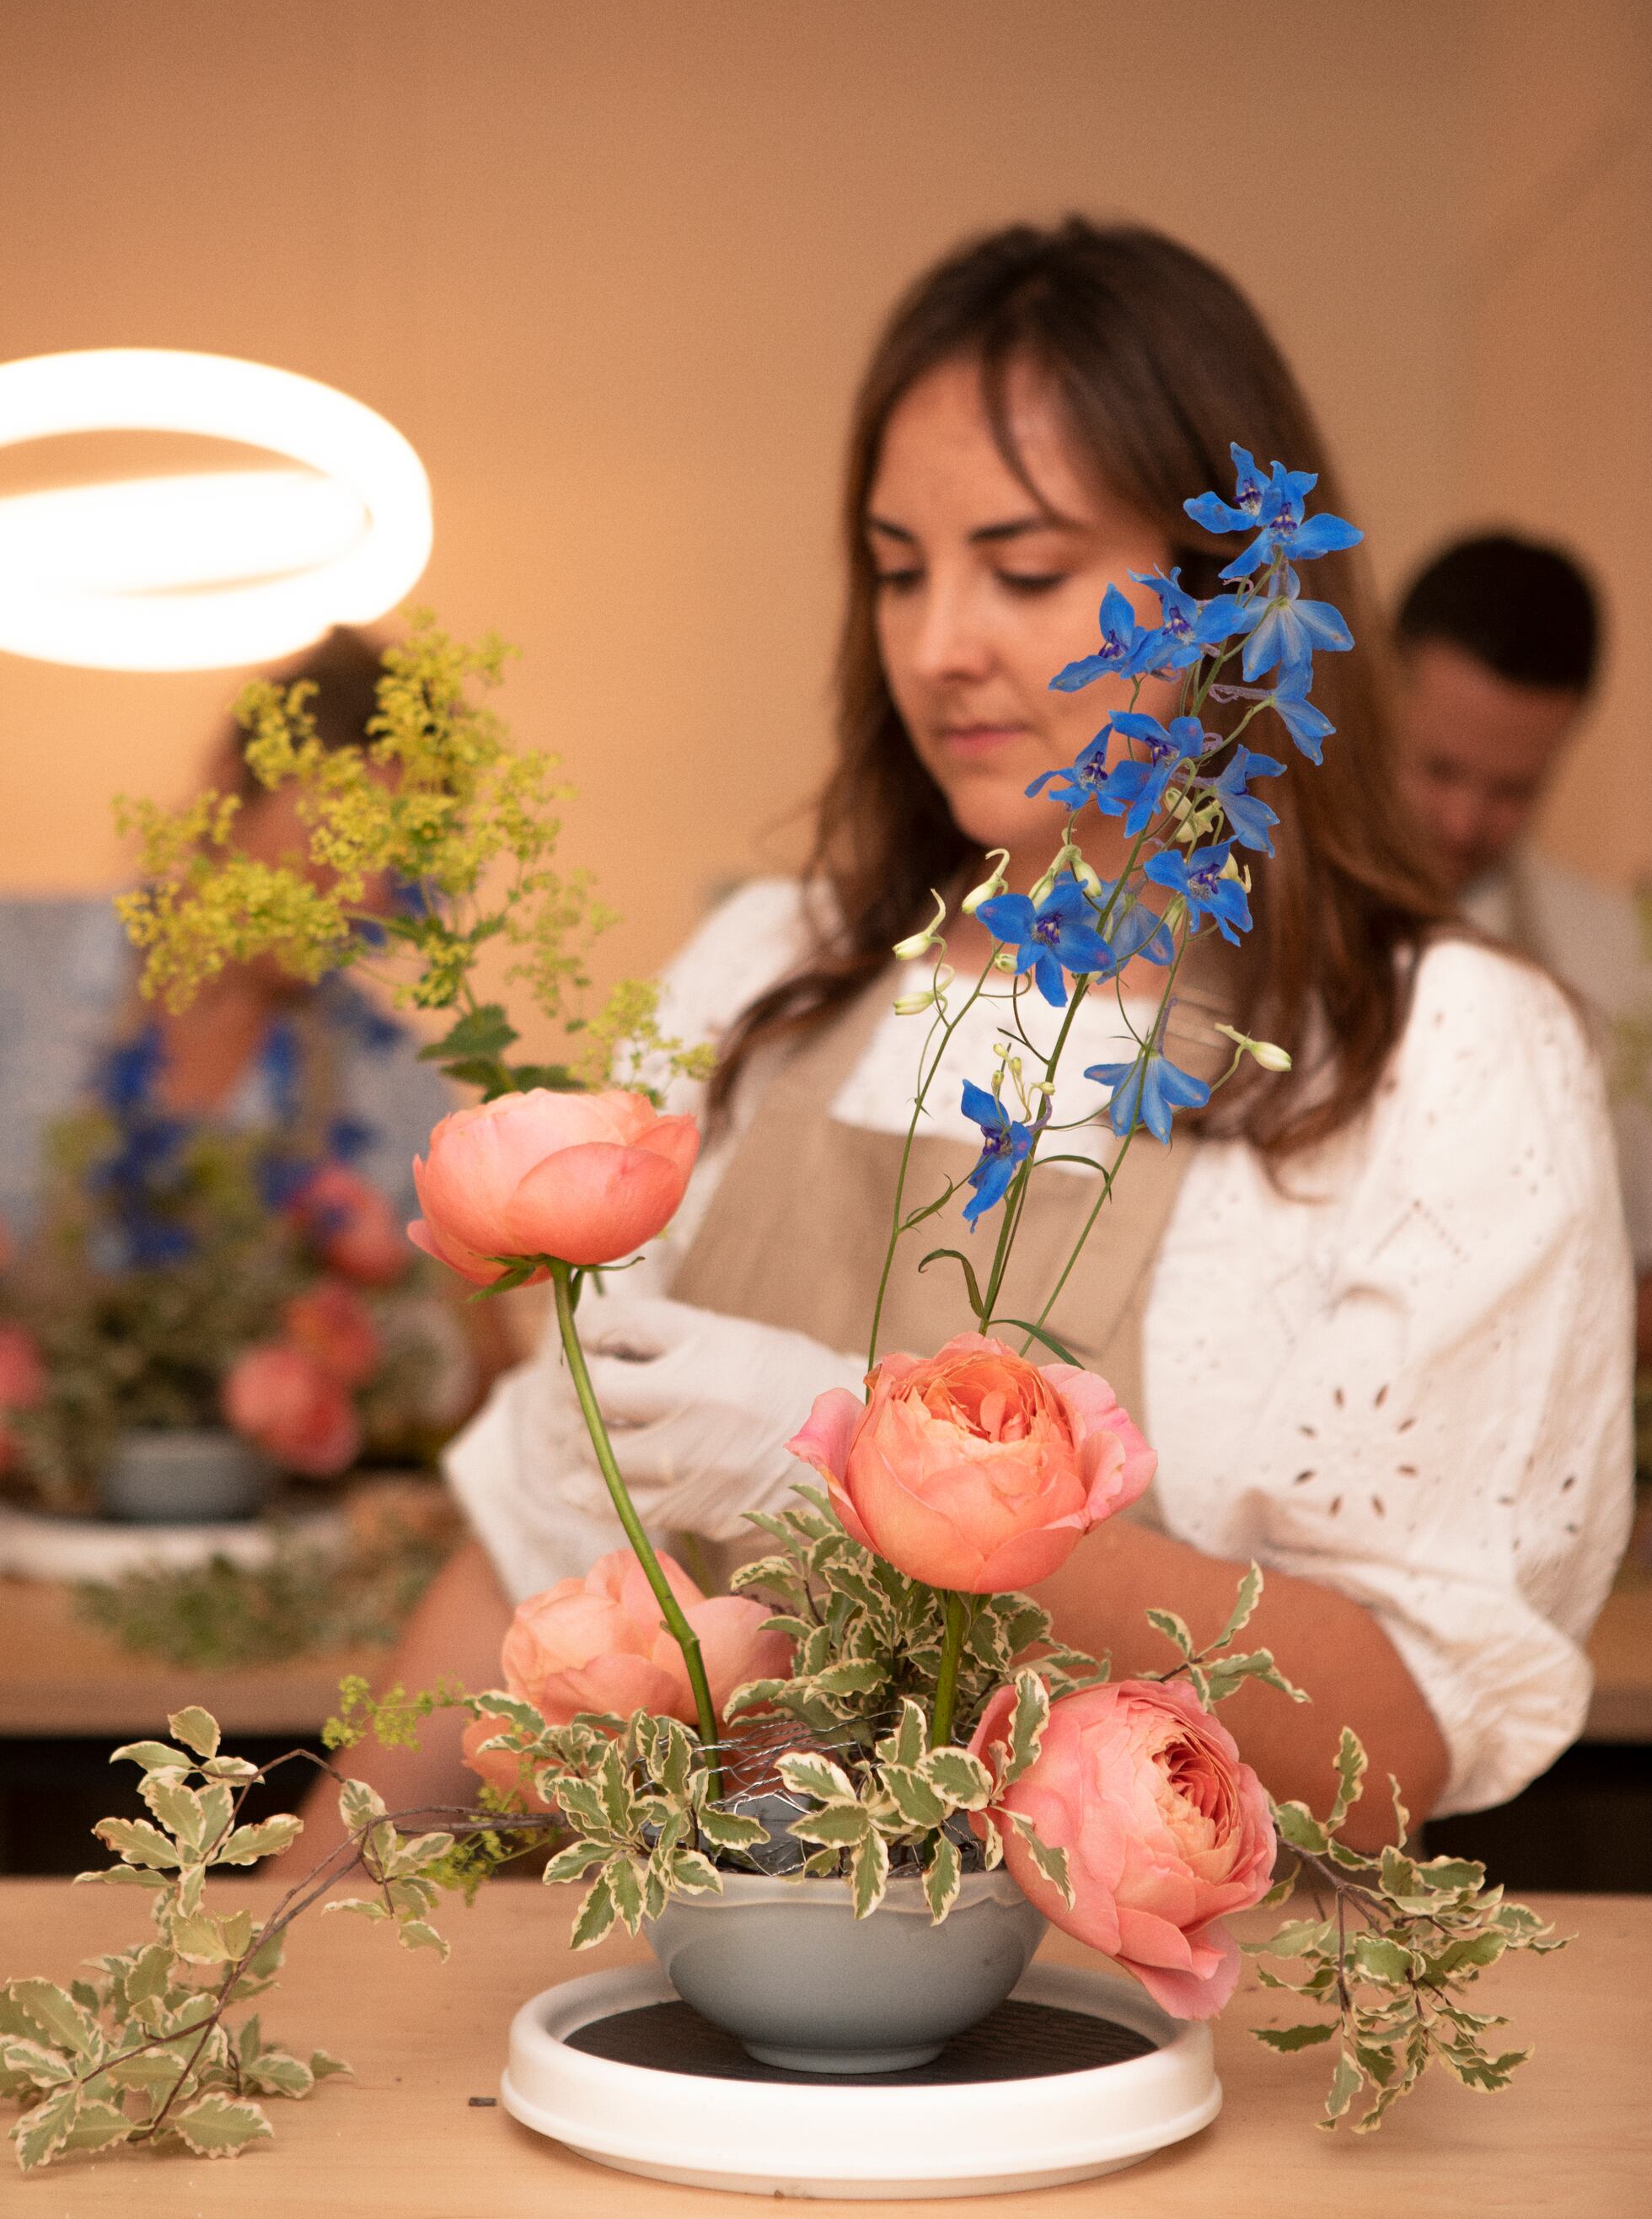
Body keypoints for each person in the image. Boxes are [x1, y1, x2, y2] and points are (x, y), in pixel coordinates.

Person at [323, 222, 1633, 1856]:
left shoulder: (1439, 1048)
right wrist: (285, 1949)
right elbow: (534, 1552)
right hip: (681, 2014)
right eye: (895, 566)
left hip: (1175, 2077)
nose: (941, 643)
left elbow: (1394, 1738)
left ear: (1228, 590)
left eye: (1020, 571)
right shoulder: (771, 971)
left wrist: (856, 1475)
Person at [0, 627, 453, 1249]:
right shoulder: (14, 964)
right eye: (344, 840)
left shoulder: (397, 1086)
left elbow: (485, 1346)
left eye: (396, 864)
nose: (367, 895)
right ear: (228, 785)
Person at [1392, 533, 1652, 1341]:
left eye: (1514, 790)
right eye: (1438, 770)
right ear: (1377, 701)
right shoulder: (1255, 904)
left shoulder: (1610, 948)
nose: (1465, 821)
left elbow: (1639, 1258)